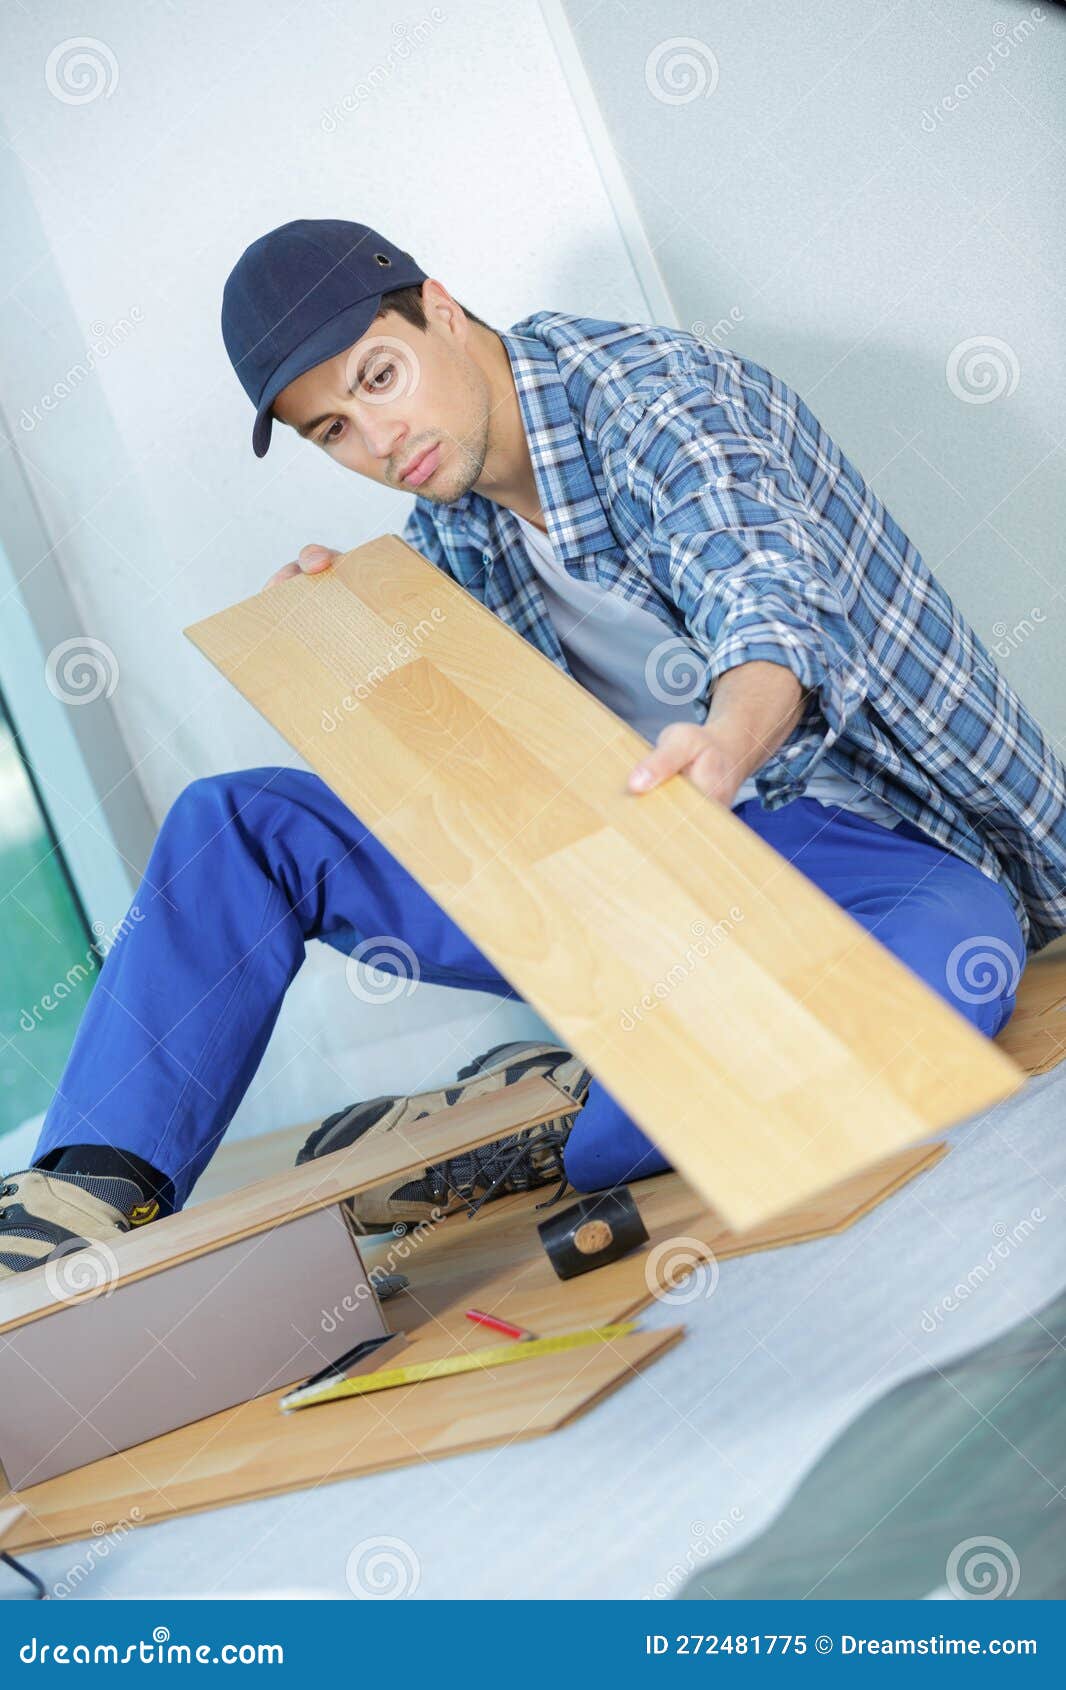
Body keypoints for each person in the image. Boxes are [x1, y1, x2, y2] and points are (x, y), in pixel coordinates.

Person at [2, 219, 1062, 1277]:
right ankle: (90, 1184)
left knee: (932, 995)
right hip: (642, 877)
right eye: (333, 430)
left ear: (444, 309)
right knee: (236, 824)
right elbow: (477, 787)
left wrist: (727, 748)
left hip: (848, 841)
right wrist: (352, 641)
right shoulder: (451, 530)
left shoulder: (656, 402)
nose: (377, 440)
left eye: (380, 376)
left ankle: (570, 1104)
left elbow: (766, 598)